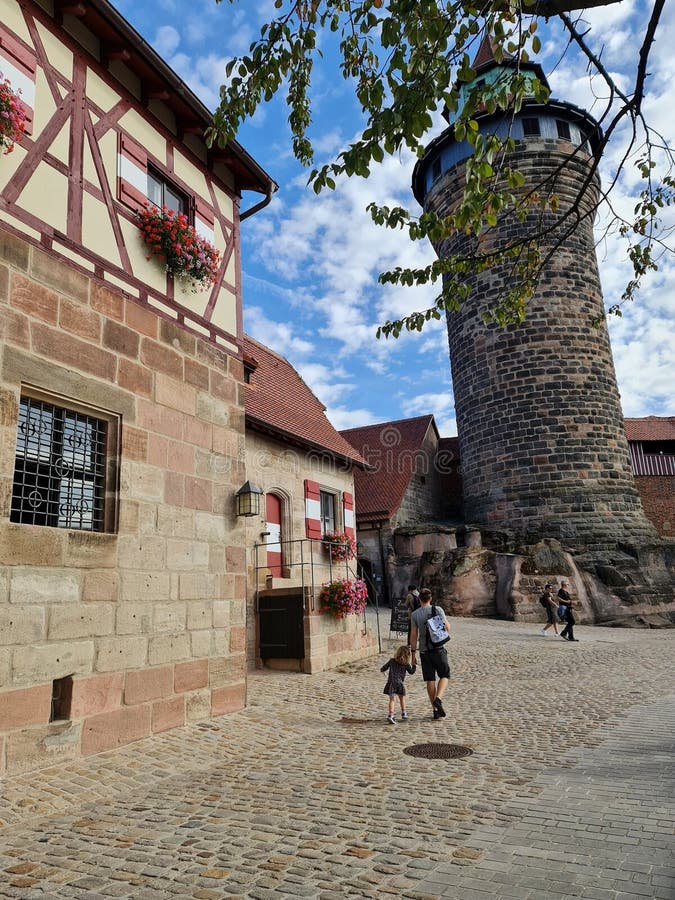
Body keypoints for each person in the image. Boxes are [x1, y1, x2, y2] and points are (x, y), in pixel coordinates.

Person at [409, 588, 452, 720]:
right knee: (445, 675)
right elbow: (447, 627)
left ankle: (435, 710)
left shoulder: (415, 615)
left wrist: (413, 654)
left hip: (424, 651)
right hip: (438, 648)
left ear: (419, 599)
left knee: (430, 680)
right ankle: (438, 698)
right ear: (430, 599)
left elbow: (414, 635)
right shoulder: (437, 610)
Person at [381, 645, 416, 724]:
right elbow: (411, 672)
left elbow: (383, 668)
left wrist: (384, 672)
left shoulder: (392, 661)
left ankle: (391, 715)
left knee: (392, 700)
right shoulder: (406, 664)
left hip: (392, 683)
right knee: (401, 698)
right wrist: (414, 665)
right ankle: (404, 713)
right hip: (399, 683)